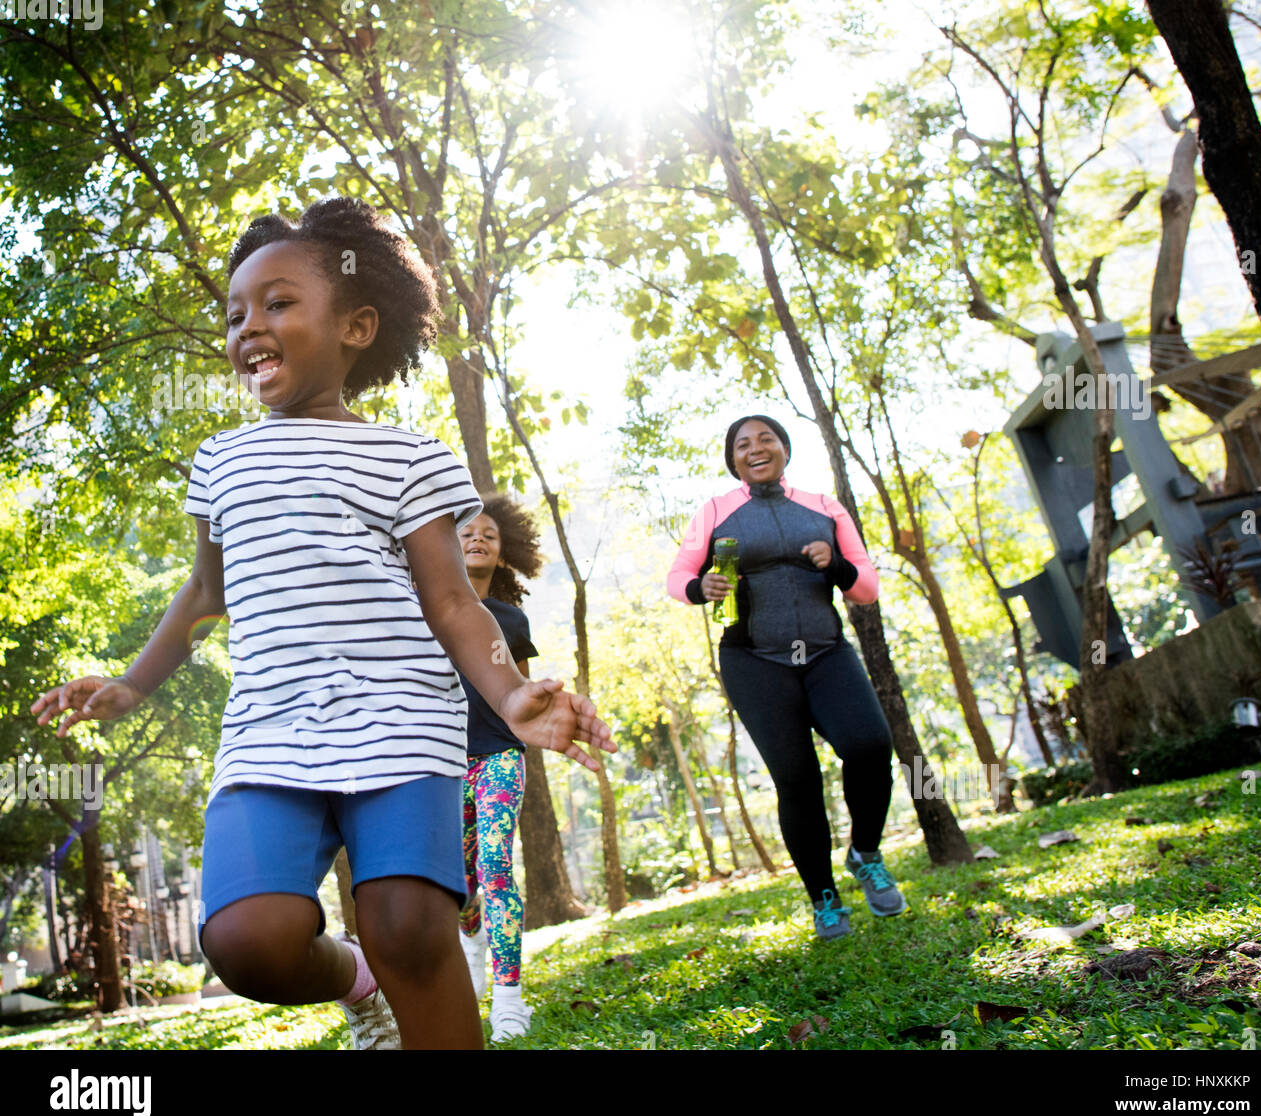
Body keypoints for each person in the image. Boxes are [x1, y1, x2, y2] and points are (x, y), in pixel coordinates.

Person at [30, 198, 614, 1049]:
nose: (249, 327)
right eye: (235, 315)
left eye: (277, 303)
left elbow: (451, 600)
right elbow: (203, 594)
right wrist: (130, 682)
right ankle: (352, 975)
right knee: (247, 940)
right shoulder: (220, 461)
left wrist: (513, 692)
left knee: (410, 924)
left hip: (401, 719)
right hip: (271, 728)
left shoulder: (410, 456)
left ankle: (399, 977)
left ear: (357, 324)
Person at [666, 414, 905, 940]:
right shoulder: (714, 512)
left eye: (766, 439)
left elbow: (866, 586)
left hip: (825, 652)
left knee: (869, 745)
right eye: (743, 444)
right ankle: (824, 895)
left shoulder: (824, 507)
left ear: (785, 449)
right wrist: (697, 587)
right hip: (755, 660)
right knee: (795, 778)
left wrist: (836, 564)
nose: (755, 449)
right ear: (732, 459)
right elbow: (678, 576)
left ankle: (865, 853)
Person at [454, 496, 543, 1042]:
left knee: (495, 867)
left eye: (489, 534)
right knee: (460, 887)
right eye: (466, 533)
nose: (477, 538)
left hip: (499, 757)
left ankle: (508, 1000)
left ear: (504, 552)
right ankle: (471, 940)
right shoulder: (421, 609)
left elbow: (523, 692)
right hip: (440, 762)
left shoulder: (512, 619)